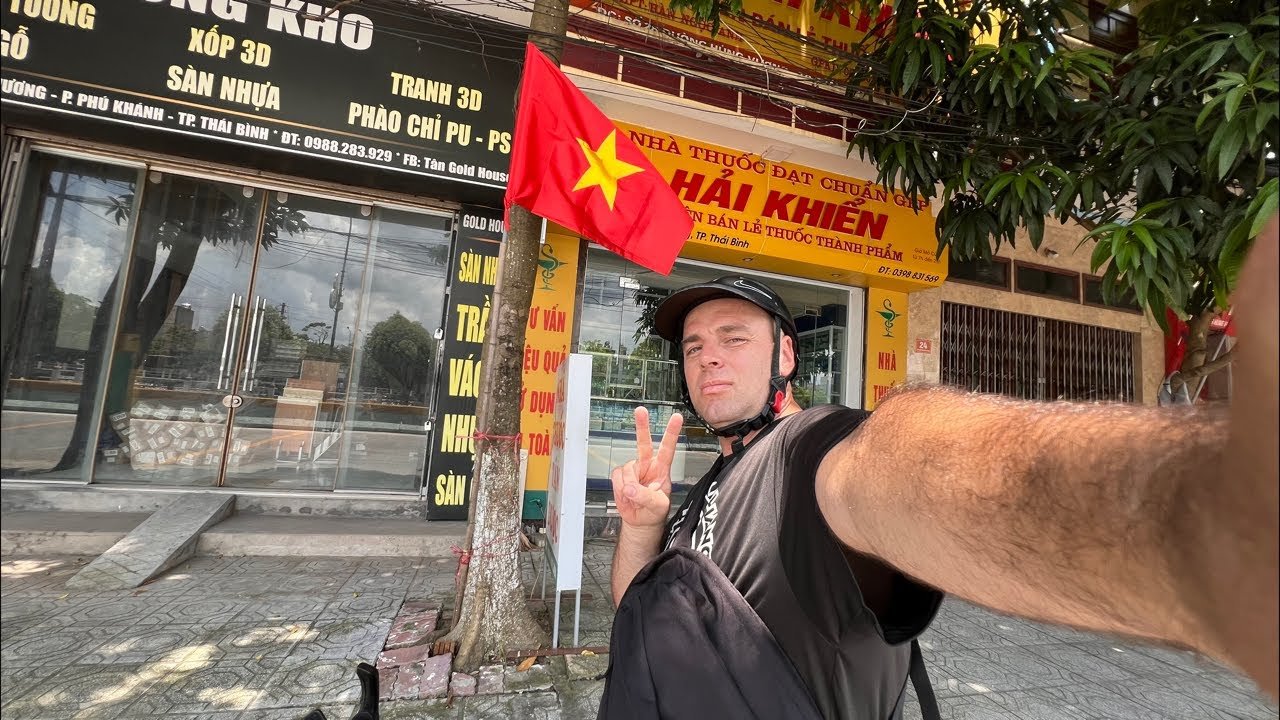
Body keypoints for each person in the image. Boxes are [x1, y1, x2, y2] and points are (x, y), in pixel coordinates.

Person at [599, 219, 1279, 719]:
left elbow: (911, 467)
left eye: (732, 338)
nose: (707, 357)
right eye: (693, 347)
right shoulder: (704, 486)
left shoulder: (812, 452)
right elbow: (637, 612)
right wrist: (644, 526)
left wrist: (1223, 525)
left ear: (784, 358)